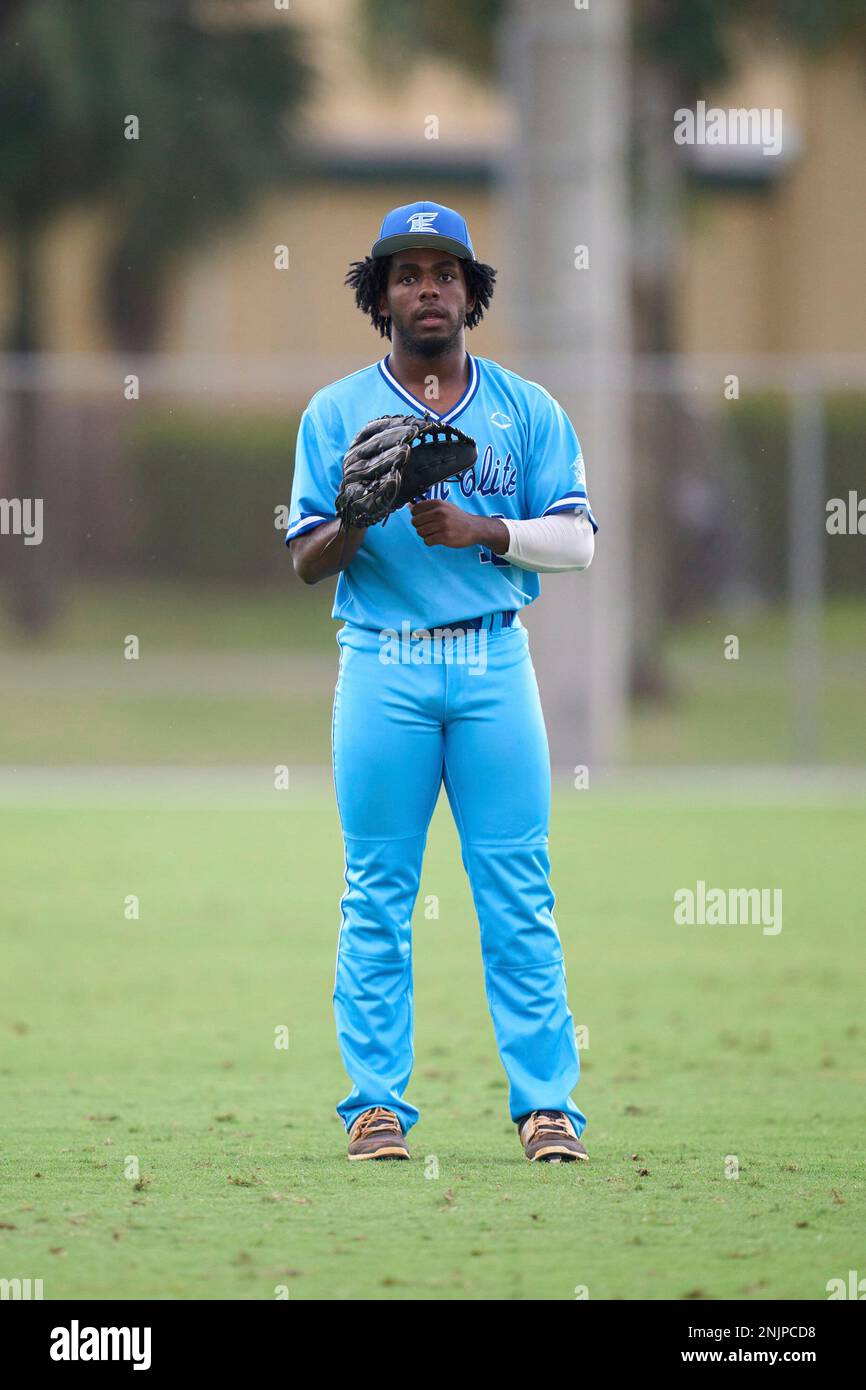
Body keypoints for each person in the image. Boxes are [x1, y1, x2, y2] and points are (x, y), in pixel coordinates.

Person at [287, 200, 597, 1163]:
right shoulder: (336, 411)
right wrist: (354, 521)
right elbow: (305, 558)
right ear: (380, 296)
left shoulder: (526, 407)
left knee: (518, 892)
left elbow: (579, 541)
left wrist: (486, 530)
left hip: (493, 659)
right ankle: (374, 1107)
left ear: (472, 292)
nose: (429, 287)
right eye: (408, 273)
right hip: (383, 663)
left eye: (446, 272)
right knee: (377, 891)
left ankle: (547, 1106)